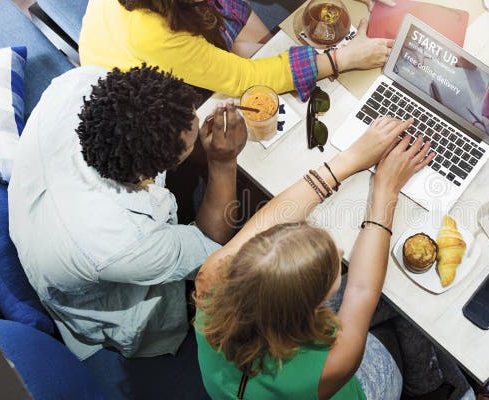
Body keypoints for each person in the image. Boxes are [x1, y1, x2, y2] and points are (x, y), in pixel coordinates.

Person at [8, 64, 247, 397]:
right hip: (109, 294)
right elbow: (213, 247)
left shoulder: (81, 82)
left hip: (49, 220)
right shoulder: (122, 242)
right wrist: (223, 160)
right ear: (149, 171)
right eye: (190, 146)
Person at [193, 117, 459, 399]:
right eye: (333, 267)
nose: (342, 254)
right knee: (401, 290)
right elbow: (361, 289)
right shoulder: (331, 362)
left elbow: (271, 217)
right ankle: (426, 386)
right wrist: (387, 189)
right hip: (353, 386)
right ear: (309, 308)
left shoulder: (211, 279)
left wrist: (352, 158)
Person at [79, 0, 395, 102]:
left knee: (274, 55)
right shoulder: (151, 32)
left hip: (188, 20)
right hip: (145, 91)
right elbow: (245, 78)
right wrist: (343, 59)